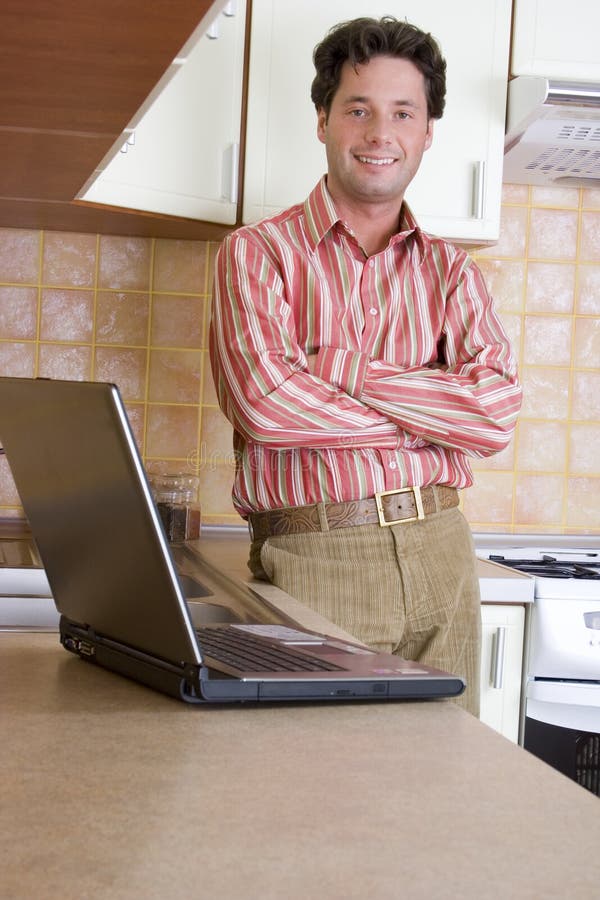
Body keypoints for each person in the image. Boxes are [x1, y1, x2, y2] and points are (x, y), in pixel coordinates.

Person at [209, 16, 522, 716]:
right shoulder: (257, 255)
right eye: (359, 109)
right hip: (317, 560)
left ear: (427, 132)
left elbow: (495, 414)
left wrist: (346, 370)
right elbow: (267, 406)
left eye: (402, 113)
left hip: (445, 554)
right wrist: (434, 419)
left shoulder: (452, 273)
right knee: (324, 796)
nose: (381, 133)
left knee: (440, 791)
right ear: (323, 120)